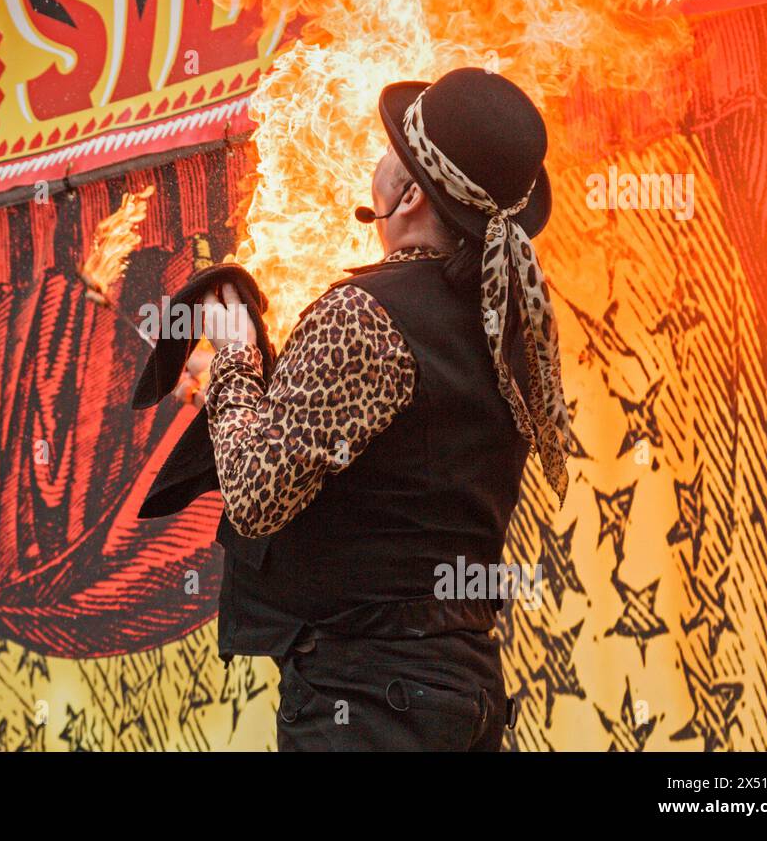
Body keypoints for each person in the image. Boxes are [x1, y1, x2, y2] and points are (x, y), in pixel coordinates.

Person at [198, 67, 571, 751]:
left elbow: (254, 495)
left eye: (393, 146)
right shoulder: (511, 331)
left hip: (370, 702)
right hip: (462, 691)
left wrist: (233, 359)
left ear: (406, 197)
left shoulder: (366, 319)